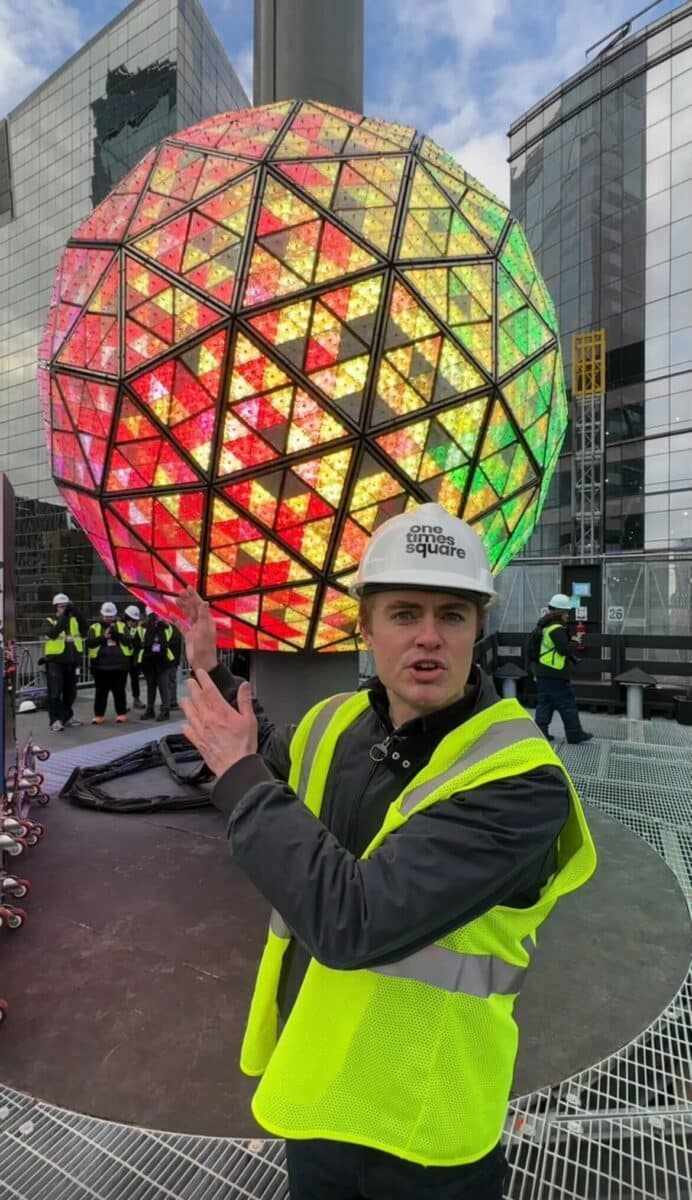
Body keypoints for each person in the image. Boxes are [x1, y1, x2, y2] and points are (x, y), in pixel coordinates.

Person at [178, 503, 597, 1200]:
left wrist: (239, 780)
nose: (428, 637)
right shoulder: (336, 722)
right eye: (404, 614)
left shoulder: (520, 781)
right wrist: (211, 671)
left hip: (423, 1126)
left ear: (478, 630)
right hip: (321, 1091)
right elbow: (271, 752)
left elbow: (356, 920)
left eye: (452, 615)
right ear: (366, 628)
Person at [529, 595, 593, 745]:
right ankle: (574, 734)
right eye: (567, 612)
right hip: (555, 673)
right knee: (567, 703)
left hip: (543, 671)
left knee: (545, 703)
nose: (568, 615)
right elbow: (564, 650)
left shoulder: (545, 626)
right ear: (561, 612)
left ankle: (541, 733)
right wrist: (575, 642)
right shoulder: (556, 629)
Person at [43, 592, 88, 732]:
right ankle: (55, 720)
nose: (64, 609)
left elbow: (85, 629)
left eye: (66, 606)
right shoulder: (50, 620)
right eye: (61, 606)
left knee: (71, 692)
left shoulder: (74, 620)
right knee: (55, 693)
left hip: (72, 661)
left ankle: (67, 716)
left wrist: (77, 612)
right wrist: (64, 618)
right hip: (55, 661)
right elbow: (52, 633)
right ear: (56, 607)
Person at [86, 602, 133, 725]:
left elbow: (128, 641)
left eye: (111, 616)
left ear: (115, 615)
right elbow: (90, 643)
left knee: (119, 692)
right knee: (101, 692)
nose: (109, 618)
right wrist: (104, 637)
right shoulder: (94, 627)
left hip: (119, 666)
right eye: (107, 616)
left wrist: (117, 635)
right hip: (100, 667)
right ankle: (99, 715)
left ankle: (121, 713)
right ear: (102, 615)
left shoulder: (122, 626)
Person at [138, 607, 175, 721]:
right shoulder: (142, 628)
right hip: (149, 661)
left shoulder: (166, 627)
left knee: (163, 687)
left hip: (162, 661)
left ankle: (165, 711)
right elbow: (138, 642)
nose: (156, 618)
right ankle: (150, 710)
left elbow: (170, 641)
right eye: (154, 616)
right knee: (151, 687)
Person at [123, 605, 146, 709]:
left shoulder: (137, 628)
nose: (134, 623)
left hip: (133, 658)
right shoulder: (121, 627)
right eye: (132, 620)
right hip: (123, 657)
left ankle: (136, 699)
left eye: (135, 621)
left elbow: (139, 642)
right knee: (121, 681)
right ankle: (122, 703)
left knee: (135, 679)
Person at [167, 623, 183, 711]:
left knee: (171, 680)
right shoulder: (174, 628)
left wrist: (164, 642)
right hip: (172, 658)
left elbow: (173, 643)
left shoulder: (173, 629)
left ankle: (172, 701)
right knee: (170, 680)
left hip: (171, 659)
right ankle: (170, 701)